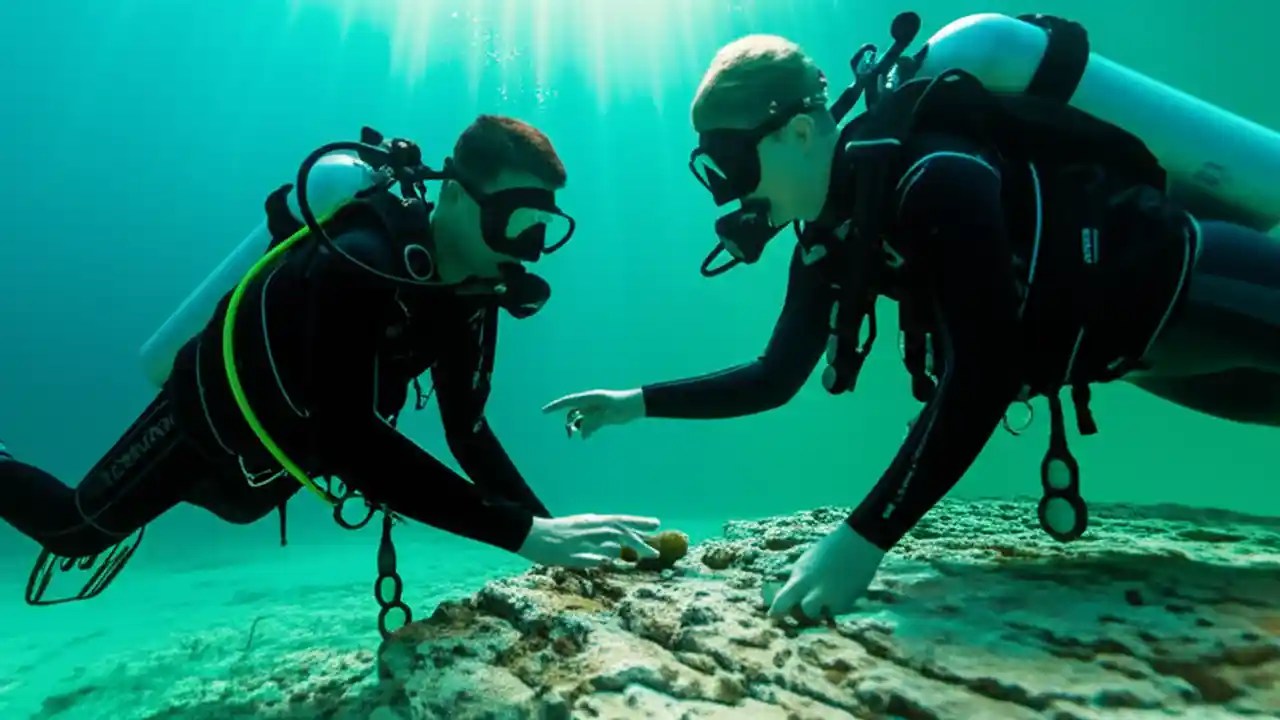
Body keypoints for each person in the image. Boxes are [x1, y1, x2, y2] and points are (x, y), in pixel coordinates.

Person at [543, 20, 1280, 623]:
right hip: (1141, 358)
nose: (725, 195)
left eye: (729, 164)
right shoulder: (830, 240)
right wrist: (633, 404)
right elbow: (773, 378)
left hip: (1190, 282)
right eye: (710, 171)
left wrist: (863, 539)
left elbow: (984, 374)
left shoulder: (937, 178)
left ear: (799, 133)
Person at [0, 115, 661, 629]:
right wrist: (526, 536)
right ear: (456, 196)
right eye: (519, 219)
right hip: (208, 421)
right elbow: (349, 434)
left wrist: (562, 543)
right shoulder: (362, 257)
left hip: (276, 460)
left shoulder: (470, 294)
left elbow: (468, 430)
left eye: (545, 226)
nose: (530, 249)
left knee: (233, 509)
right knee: (75, 530)